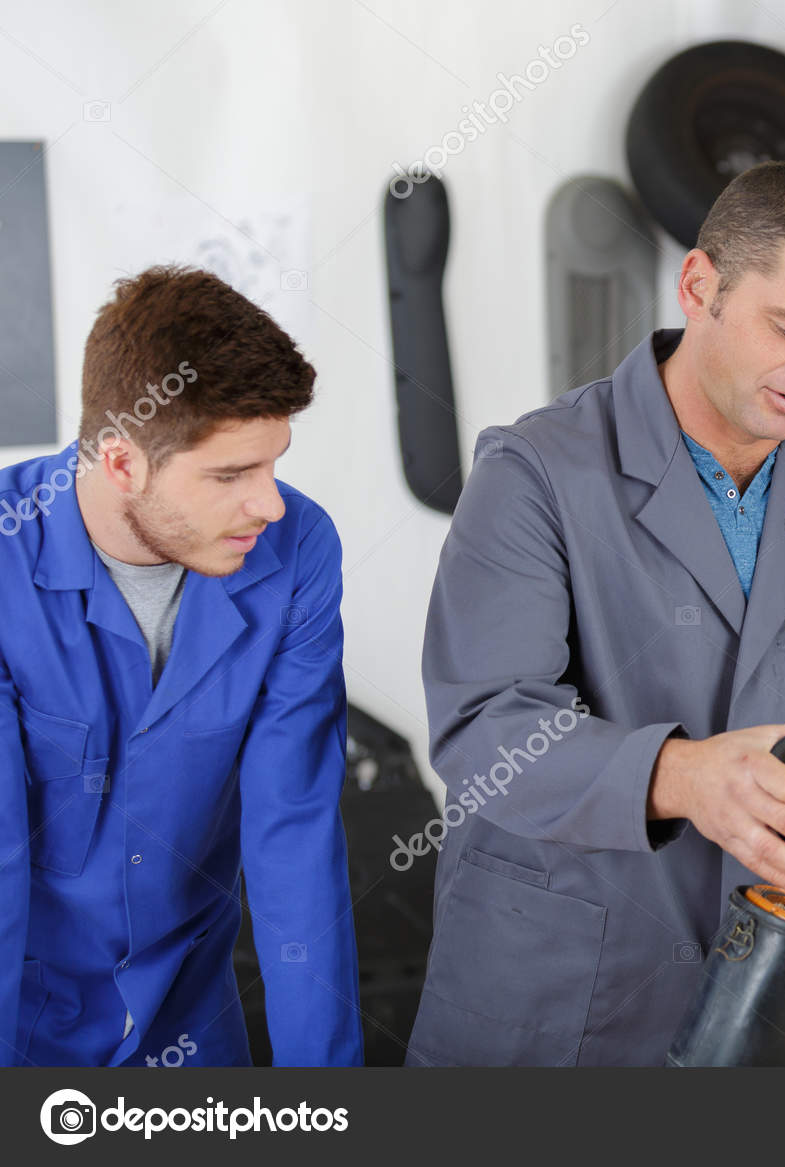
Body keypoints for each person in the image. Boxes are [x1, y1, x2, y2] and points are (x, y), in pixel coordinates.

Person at [408, 161, 785, 1066]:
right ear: (700, 286)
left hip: (770, 1006)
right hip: (555, 1002)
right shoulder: (534, 473)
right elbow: (483, 728)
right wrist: (682, 775)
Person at [0, 266, 363, 1066]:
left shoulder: (298, 549)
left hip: (189, 1018)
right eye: (231, 475)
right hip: (27, 1023)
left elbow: (292, 832)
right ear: (123, 462)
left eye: (274, 464)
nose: (269, 504)